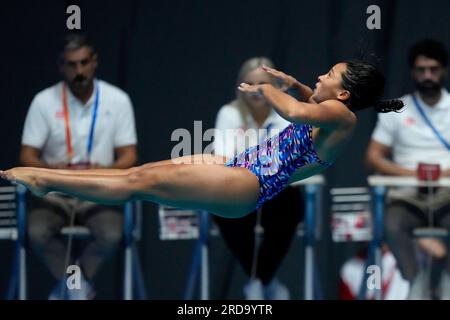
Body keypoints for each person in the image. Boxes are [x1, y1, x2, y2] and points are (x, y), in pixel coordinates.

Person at [2, 59, 403, 235]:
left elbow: (298, 113)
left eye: (329, 74)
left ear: (345, 94)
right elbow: (307, 102)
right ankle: (48, 179)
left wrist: (266, 88)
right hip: (239, 167)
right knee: (136, 176)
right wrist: (291, 83)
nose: (320, 74)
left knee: (139, 185)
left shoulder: (343, 119)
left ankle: (45, 181)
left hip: (248, 183)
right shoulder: (336, 115)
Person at [18, 33, 137, 299]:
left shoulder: (118, 100)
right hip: (56, 192)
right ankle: (76, 286)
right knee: (35, 231)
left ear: (94, 62)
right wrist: (52, 171)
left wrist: (102, 171)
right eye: (72, 64)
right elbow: (27, 156)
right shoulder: (43, 102)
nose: (79, 70)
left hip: (98, 191)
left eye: (84, 62)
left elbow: (129, 156)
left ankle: (74, 284)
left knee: (112, 233)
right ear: (61, 66)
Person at [212, 57, 304, 299]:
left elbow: (291, 158)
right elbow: (223, 158)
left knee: (291, 207)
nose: (255, 90)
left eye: (261, 84)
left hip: (279, 190)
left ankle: (259, 281)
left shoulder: (289, 112)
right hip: (241, 190)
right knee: (222, 211)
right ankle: (266, 282)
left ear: (275, 85)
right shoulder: (229, 114)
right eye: (249, 83)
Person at [366, 39, 450, 299]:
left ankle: (447, 279)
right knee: (391, 223)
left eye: (433, 69)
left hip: (448, 193)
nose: (427, 75)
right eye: (421, 69)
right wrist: (411, 174)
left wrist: (444, 174)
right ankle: (416, 280)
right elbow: (372, 157)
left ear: (444, 71)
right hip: (408, 195)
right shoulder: (396, 109)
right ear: (412, 72)